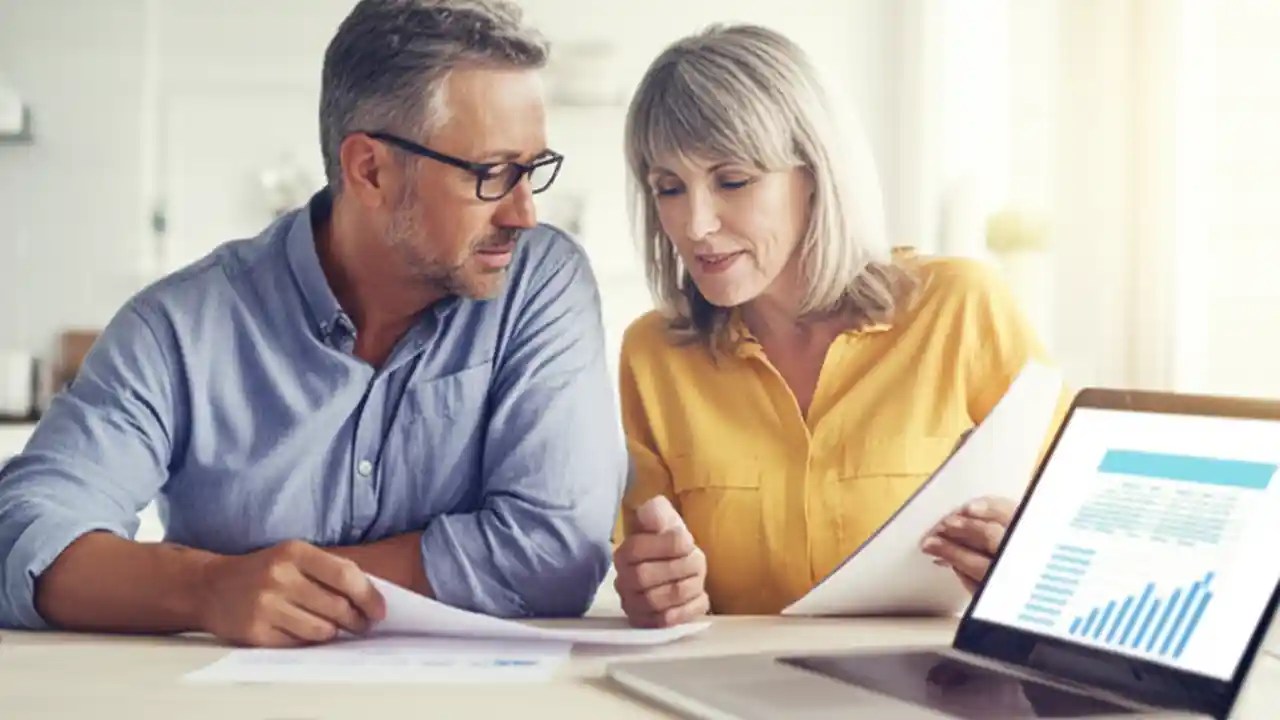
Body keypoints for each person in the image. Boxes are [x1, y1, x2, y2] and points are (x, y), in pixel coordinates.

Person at [0, 0, 626, 646]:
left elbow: (557, 551)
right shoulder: (179, 330)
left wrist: (285, 586)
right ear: (370, 170)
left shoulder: (539, 283)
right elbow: (22, 534)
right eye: (492, 174)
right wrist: (209, 588)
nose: (524, 212)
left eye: (532, 171)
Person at [611, 24, 1070, 628]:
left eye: (733, 181)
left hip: (929, 690)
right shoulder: (653, 356)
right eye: (669, 188)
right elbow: (647, 573)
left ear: (814, 176)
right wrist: (653, 590)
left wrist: (1028, 558)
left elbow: (1074, 528)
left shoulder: (960, 307)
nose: (694, 224)